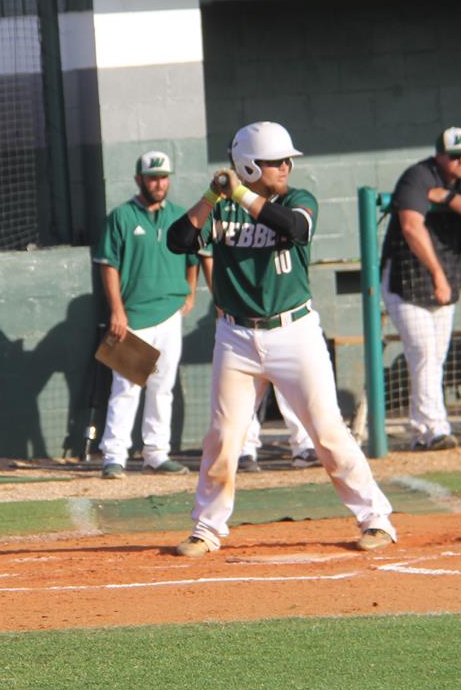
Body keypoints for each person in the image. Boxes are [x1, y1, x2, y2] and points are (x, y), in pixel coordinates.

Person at [166, 121, 396, 556]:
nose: (287, 166)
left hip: (295, 332)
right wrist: (214, 195)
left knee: (326, 431)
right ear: (250, 166)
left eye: (287, 159)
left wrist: (240, 194)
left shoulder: (297, 199)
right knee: (222, 435)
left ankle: (375, 518)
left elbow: (295, 228)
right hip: (235, 335)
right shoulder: (222, 206)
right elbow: (179, 241)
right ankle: (207, 527)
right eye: (276, 162)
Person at [380, 127, 461, 449]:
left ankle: (425, 430)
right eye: (455, 156)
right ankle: (432, 428)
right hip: (405, 279)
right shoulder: (418, 175)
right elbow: (410, 225)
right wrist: (436, 274)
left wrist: (450, 198)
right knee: (423, 352)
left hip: (446, 280)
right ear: (439, 156)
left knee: (435, 357)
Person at [93, 151, 199, 479]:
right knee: (125, 387)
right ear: (139, 179)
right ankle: (114, 455)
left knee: (162, 386)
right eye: (152, 177)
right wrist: (117, 311)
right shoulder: (121, 217)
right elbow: (108, 265)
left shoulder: (181, 216)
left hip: (169, 313)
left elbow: (193, 258)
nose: (159, 183)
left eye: (164, 177)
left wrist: (190, 292)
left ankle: (156, 453)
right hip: (133, 317)